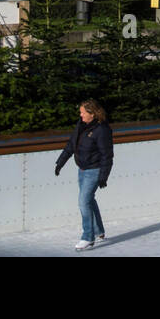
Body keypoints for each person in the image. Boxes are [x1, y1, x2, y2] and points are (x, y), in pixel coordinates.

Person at [55, 98, 113, 251]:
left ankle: (88, 237)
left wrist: (103, 176)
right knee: (89, 200)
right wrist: (60, 162)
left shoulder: (102, 130)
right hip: (82, 170)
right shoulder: (81, 125)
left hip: (94, 170)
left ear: (92, 113)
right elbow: (71, 145)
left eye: (82, 112)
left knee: (83, 202)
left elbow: (107, 155)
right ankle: (99, 231)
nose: (80, 115)